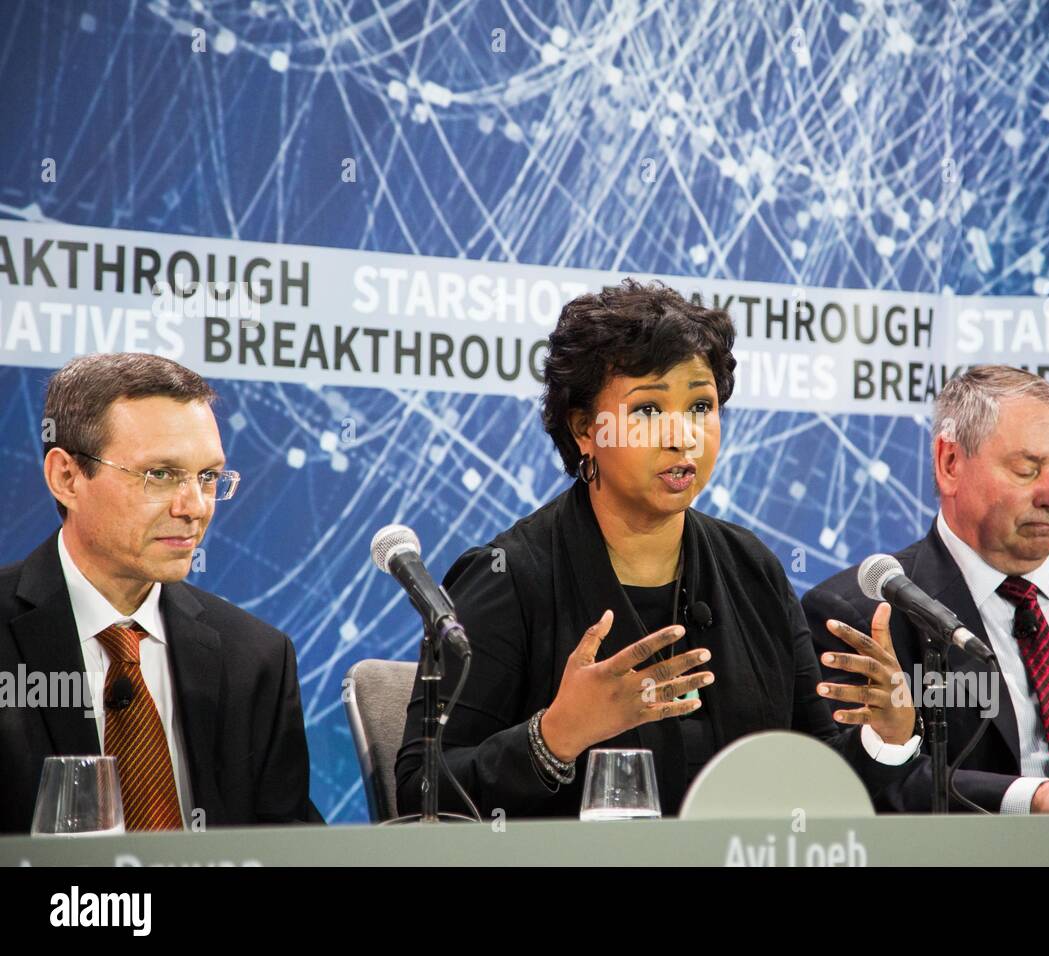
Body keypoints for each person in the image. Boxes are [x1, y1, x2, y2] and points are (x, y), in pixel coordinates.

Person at [395, 280, 921, 818]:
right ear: (584, 428)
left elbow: (813, 776)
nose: (683, 435)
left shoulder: (751, 569)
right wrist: (553, 738)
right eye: (648, 411)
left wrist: (887, 736)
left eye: (700, 405)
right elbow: (421, 789)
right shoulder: (510, 576)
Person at [804, 365, 1049, 814]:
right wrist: (1040, 798)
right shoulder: (865, 613)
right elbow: (869, 782)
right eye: (1026, 469)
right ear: (949, 463)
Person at [0, 352, 320, 833]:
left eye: (208, 477)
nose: (194, 507)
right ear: (66, 477)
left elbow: (290, 847)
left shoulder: (256, 658)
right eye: (161, 475)